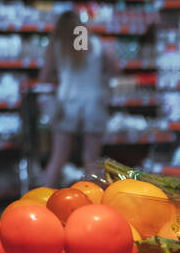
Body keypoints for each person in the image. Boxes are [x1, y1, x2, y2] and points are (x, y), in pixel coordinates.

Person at [38, 10, 120, 187]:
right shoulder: (97, 45)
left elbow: (44, 77)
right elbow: (115, 70)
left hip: (67, 103)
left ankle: (42, 200)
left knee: (58, 159)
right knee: (91, 161)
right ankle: (93, 201)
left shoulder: (57, 46)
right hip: (94, 103)